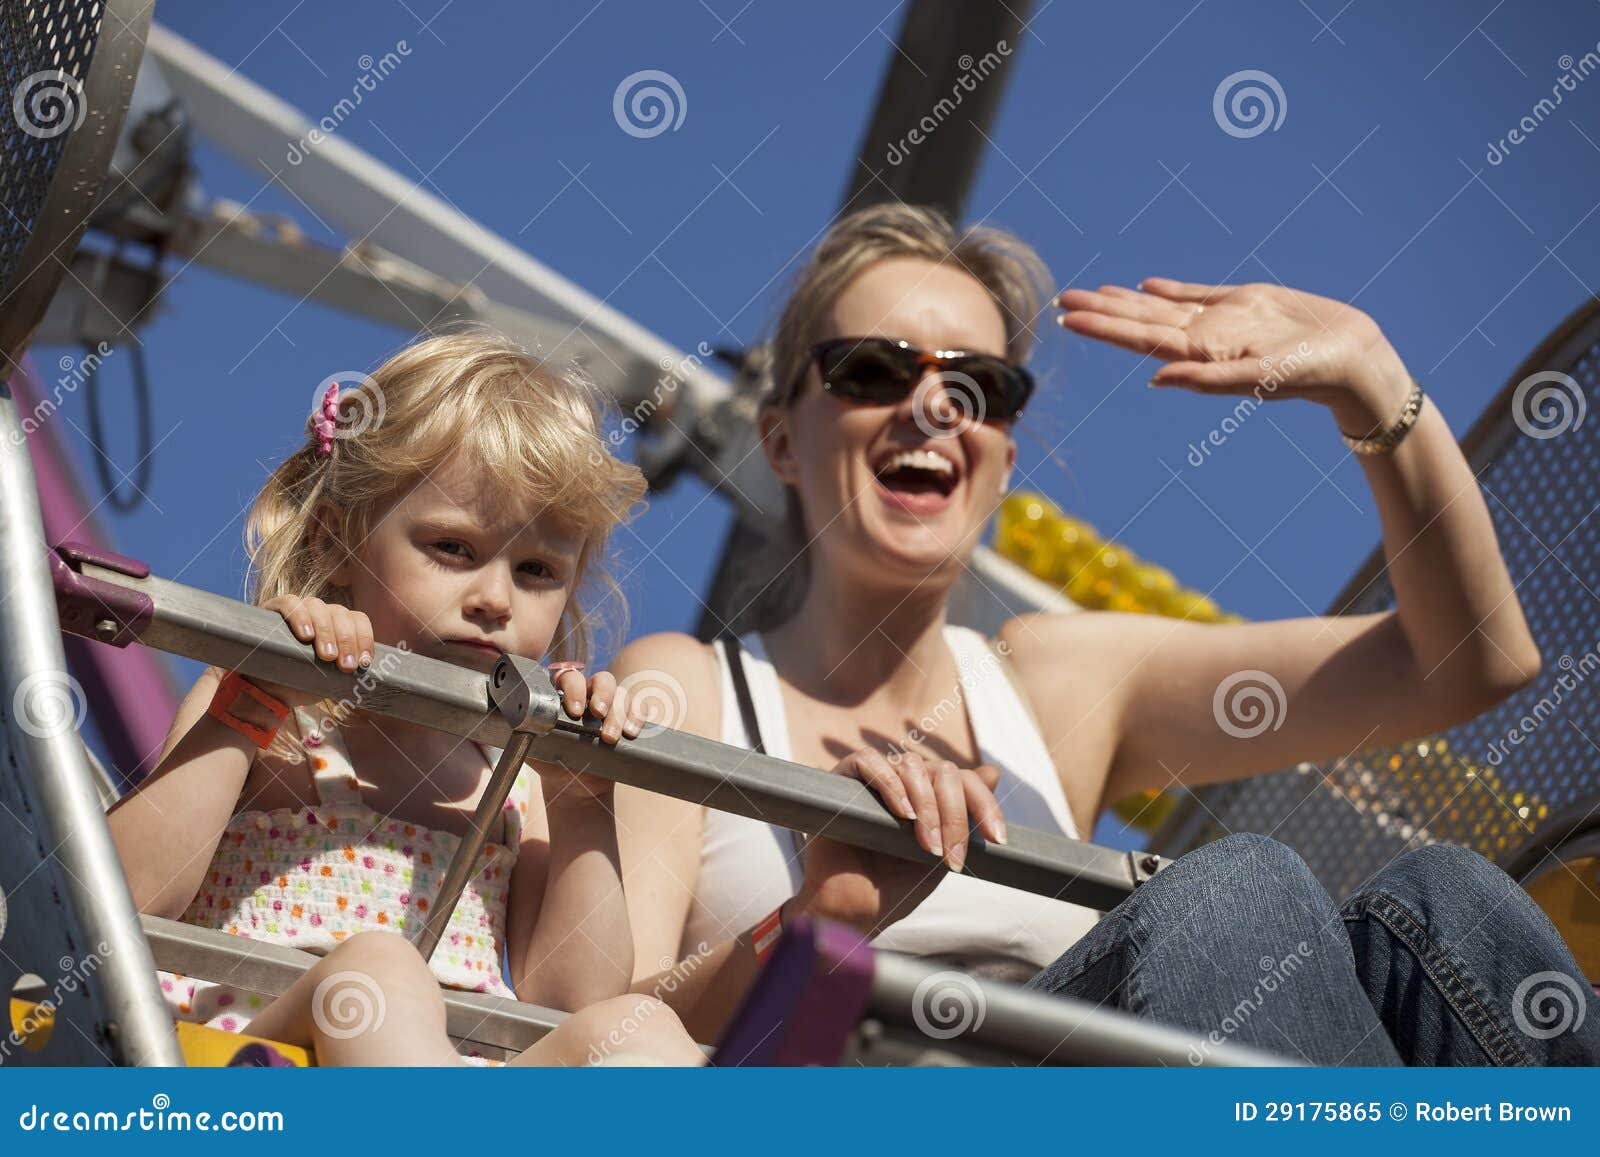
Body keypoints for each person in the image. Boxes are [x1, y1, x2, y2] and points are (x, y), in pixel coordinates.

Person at [609, 204, 1599, 1065]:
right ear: (780, 436)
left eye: (979, 387)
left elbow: (1467, 660)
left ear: (1001, 458)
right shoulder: (686, 686)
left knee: (1449, 903)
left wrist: (1371, 380)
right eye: (871, 368)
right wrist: (822, 923)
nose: (931, 405)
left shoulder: (1054, 678)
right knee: (1232, 893)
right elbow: (593, 1030)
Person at [108, 331, 703, 1066]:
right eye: (453, 548)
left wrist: (585, 799)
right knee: (383, 974)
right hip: (263, 1056)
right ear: (337, 541)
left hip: (460, 1077)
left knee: (644, 1027)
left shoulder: (516, 777)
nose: (493, 598)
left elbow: (575, 998)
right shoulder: (279, 709)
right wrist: (253, 700)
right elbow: (123, 898)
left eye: (537, 570)